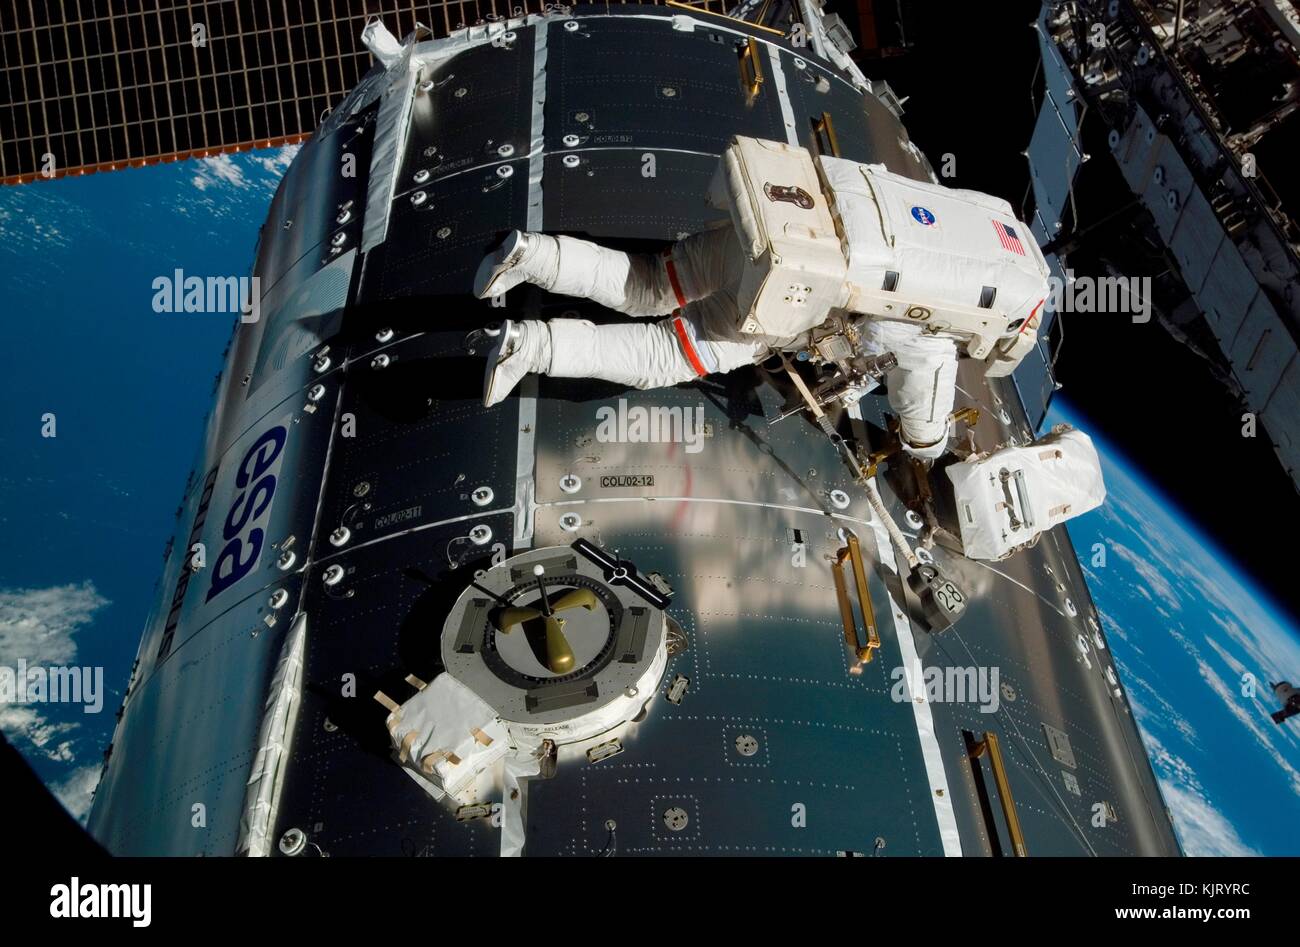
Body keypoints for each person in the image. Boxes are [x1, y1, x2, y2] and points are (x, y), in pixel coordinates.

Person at [474, 225, 961, 460]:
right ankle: (528, 346)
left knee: (646, 285)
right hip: (777, 300)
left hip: (766, 235)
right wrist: (931, 446)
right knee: (659, 356)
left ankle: (530, 254)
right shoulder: (945, 324)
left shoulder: (930, 231)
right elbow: (922, 432)